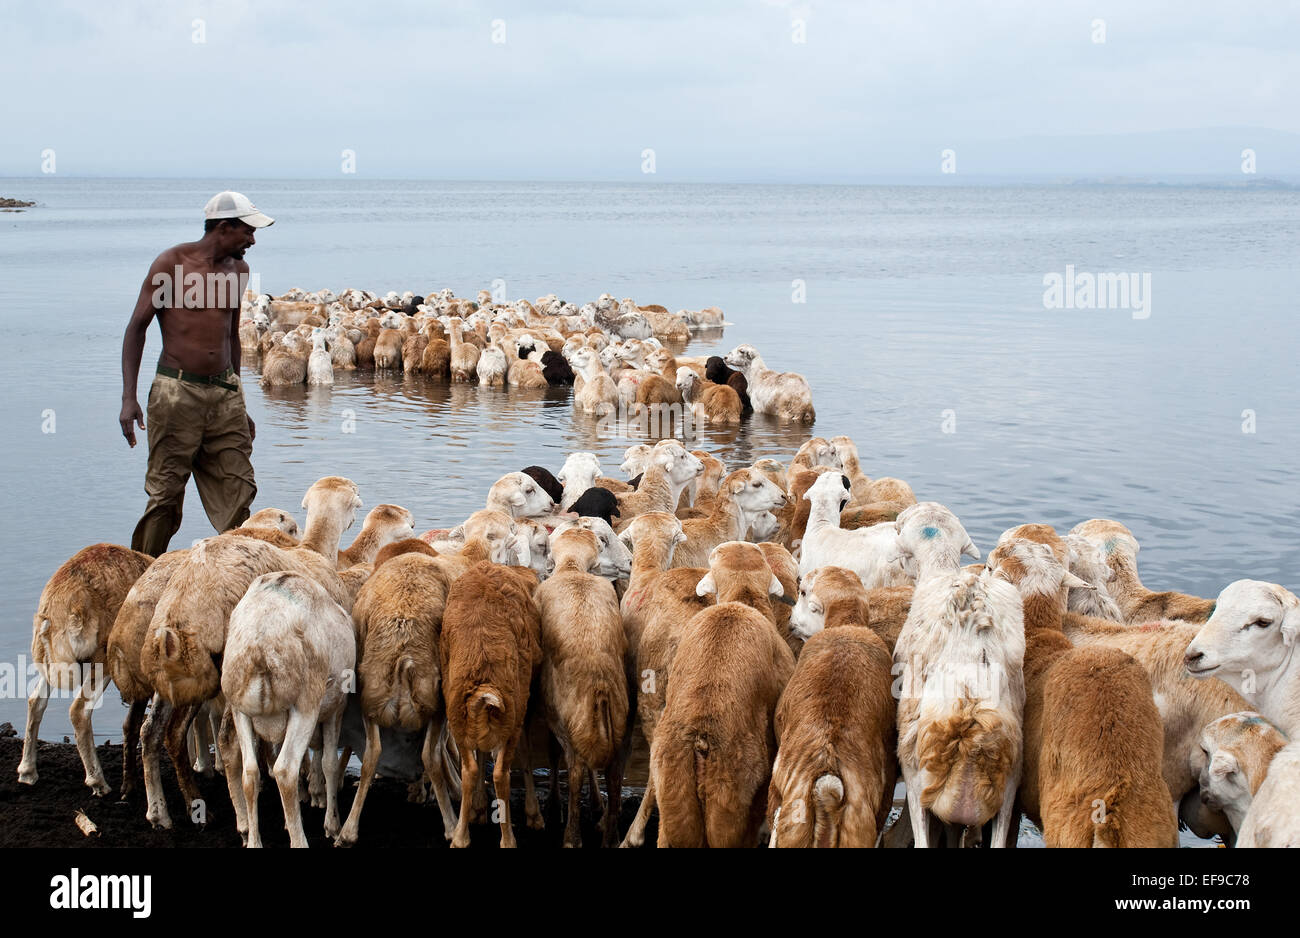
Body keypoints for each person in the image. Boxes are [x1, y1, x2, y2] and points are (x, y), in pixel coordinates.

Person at [119, 191, 274, 556]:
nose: (252, 240)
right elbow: (136, 328)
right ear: (224, 227)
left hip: (224, 394)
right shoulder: (171, 264)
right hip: (177, 392)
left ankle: (231, 573)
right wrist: (129, 398)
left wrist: (239, 398)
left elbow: (230, 334)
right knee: (166, 495)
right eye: (248, 232)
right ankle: (143, 574)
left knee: (239, 489)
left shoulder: (239, 270)